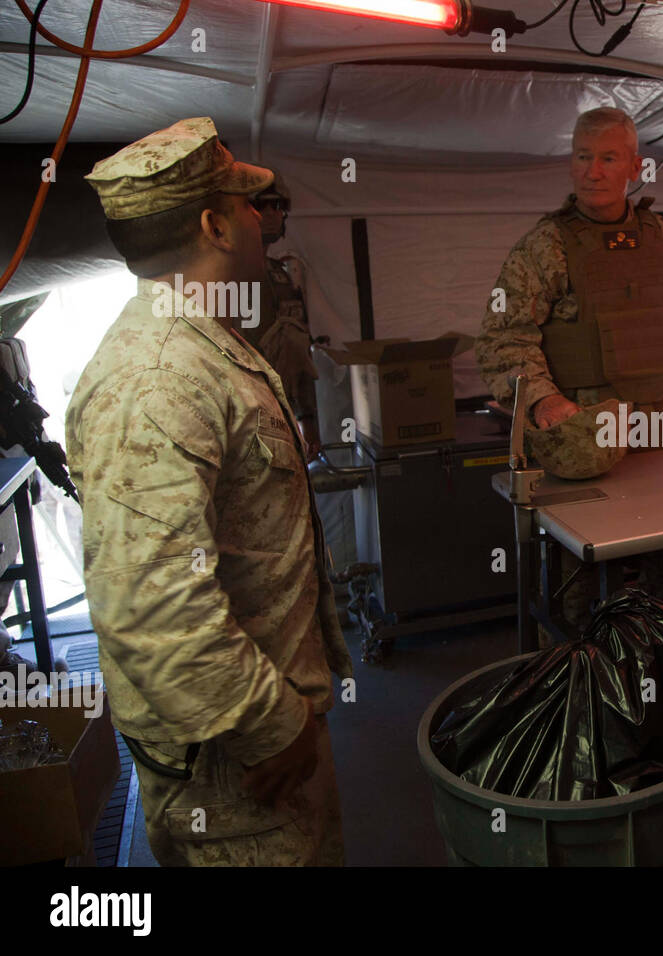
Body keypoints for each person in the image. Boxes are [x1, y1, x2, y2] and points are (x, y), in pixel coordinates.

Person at [70, 117, 352, 865]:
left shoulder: (201, 344)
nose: (263, 220)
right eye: (247, 205)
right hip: (235, 764)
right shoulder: (159, 378)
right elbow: (148, 603)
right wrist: (275, 724)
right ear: (214, 225)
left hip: (258, 729)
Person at [476, 106, 663, 630]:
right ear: (571, 163)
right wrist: (543, 399)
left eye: (608, 158)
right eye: (584, 157)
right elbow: (500, 337)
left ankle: (656, 670)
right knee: (575, 577)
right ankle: (577, 683)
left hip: (661, 432)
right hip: (582, 438)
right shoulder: (545, 247)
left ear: (635, 168)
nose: (593, 171)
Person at [247, 176, 323, 458]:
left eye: (277, 206)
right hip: (248, 418)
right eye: (261, 205)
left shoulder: (281, 275)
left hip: (284, 415)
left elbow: (297, 352)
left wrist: (309, 422)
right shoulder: (225, 277)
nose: (271, 214)